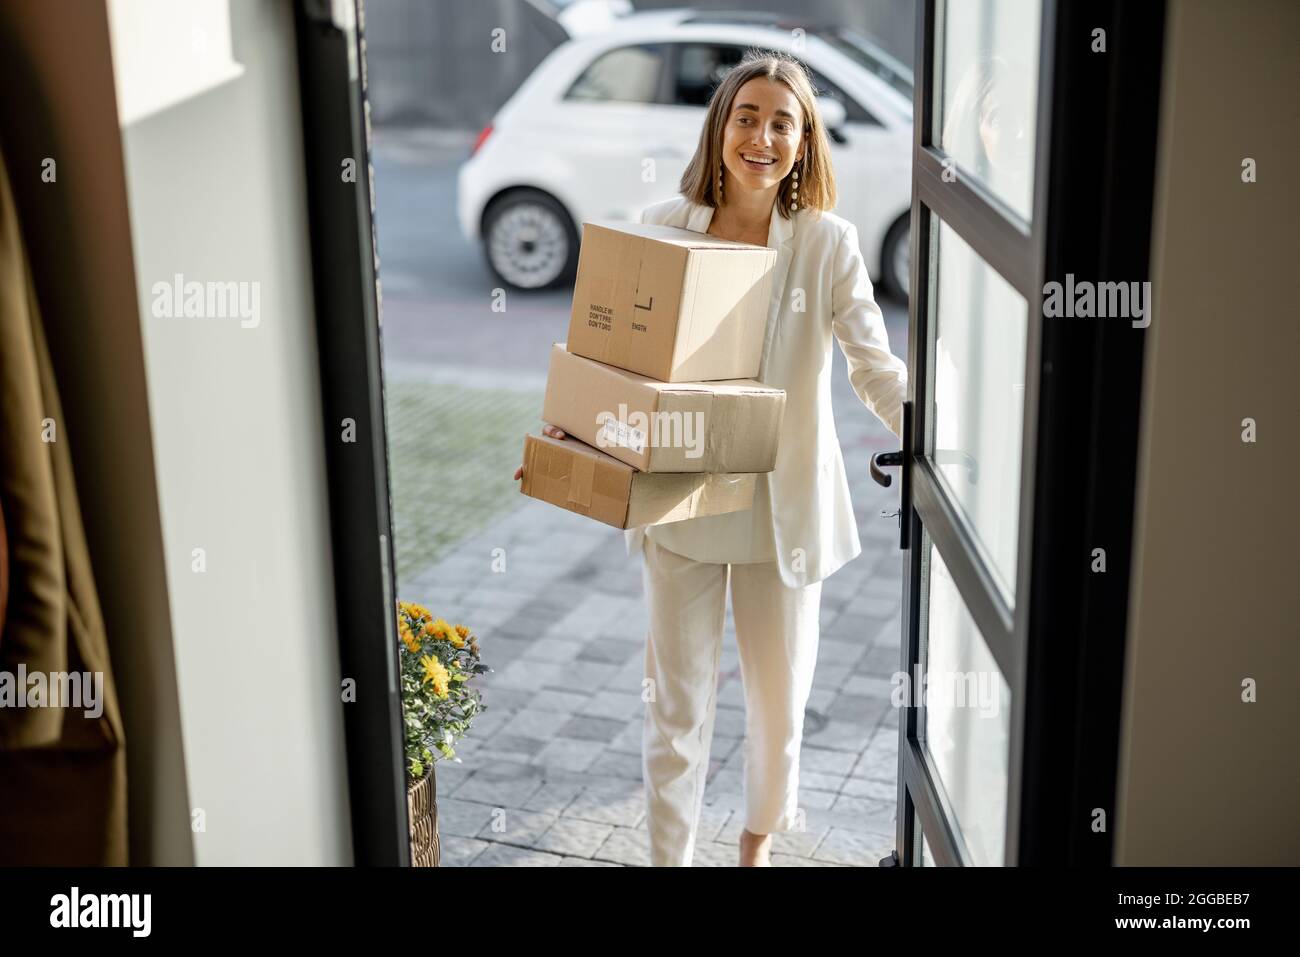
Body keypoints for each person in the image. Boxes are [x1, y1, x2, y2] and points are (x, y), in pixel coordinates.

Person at [514, 49, 907, 866]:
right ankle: (671, 858)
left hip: (780, 508)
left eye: (782, 123)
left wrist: (935, 434)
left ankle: (755, 846)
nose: (762, 136)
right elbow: (609, 362)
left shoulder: (827, 244)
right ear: (720, 125)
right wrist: (567, 441)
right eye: (747, 116)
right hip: (683, 504)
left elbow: (874, 366)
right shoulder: (661, 225)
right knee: (676, 705)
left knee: (779, 704)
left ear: (804, 143)